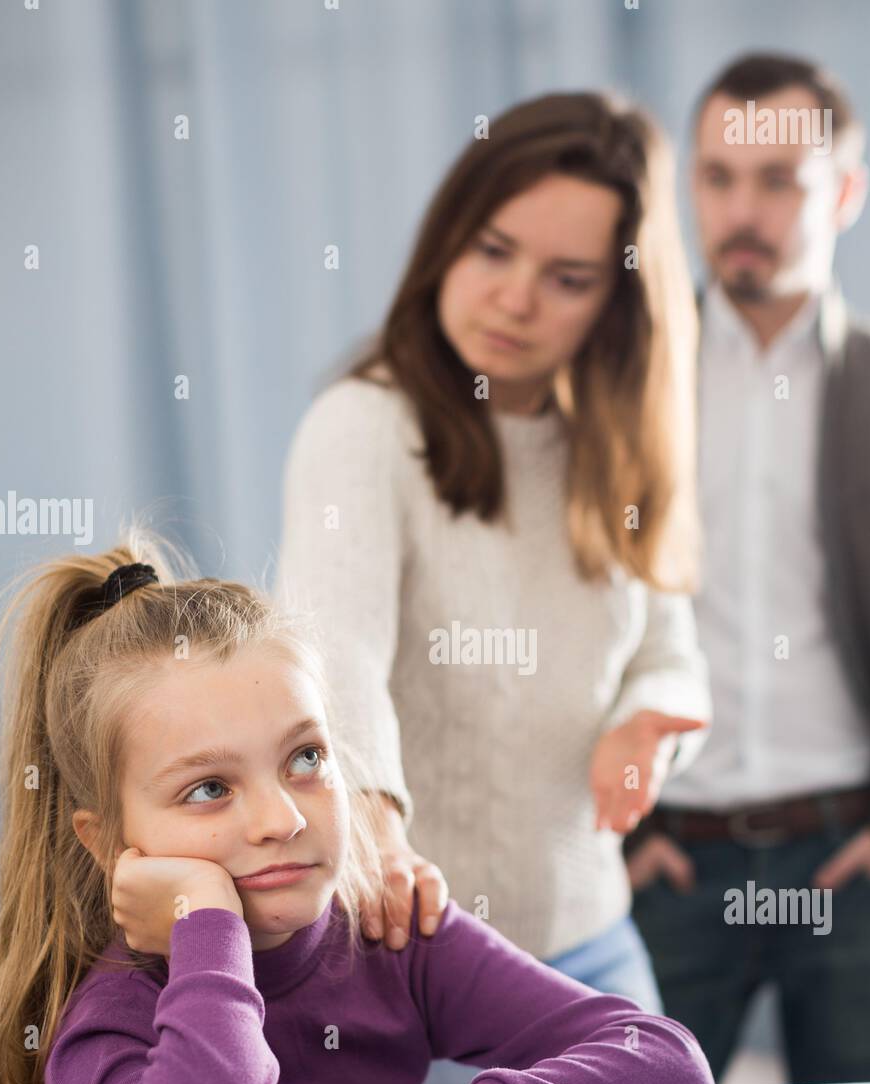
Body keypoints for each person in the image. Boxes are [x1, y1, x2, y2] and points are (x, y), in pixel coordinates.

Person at [0, 533, 716, 1084]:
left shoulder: (388, 932)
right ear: (107, 842)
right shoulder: (108, 1015)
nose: (281, 818)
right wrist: (207, 928)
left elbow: (662, 1058)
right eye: (209, 788)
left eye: (305, 759)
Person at [276, 91, 710, 1028]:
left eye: (568, 277)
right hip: (418, 952)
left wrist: (647, 729)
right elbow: (331, 653)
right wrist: (379, 826)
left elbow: (668, 652)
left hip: (593, 935)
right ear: (448, 239)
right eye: (493, 251)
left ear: (619, 299)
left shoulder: (616, 445)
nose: (514, 299)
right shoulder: (363, 427)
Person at [626, 53, 870, 1084]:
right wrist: (616, 835)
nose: (738, 209)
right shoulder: (628, 377)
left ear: (842, 193)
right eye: (715, 177)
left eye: (776, 181)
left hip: (849, 853)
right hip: (669, 858)